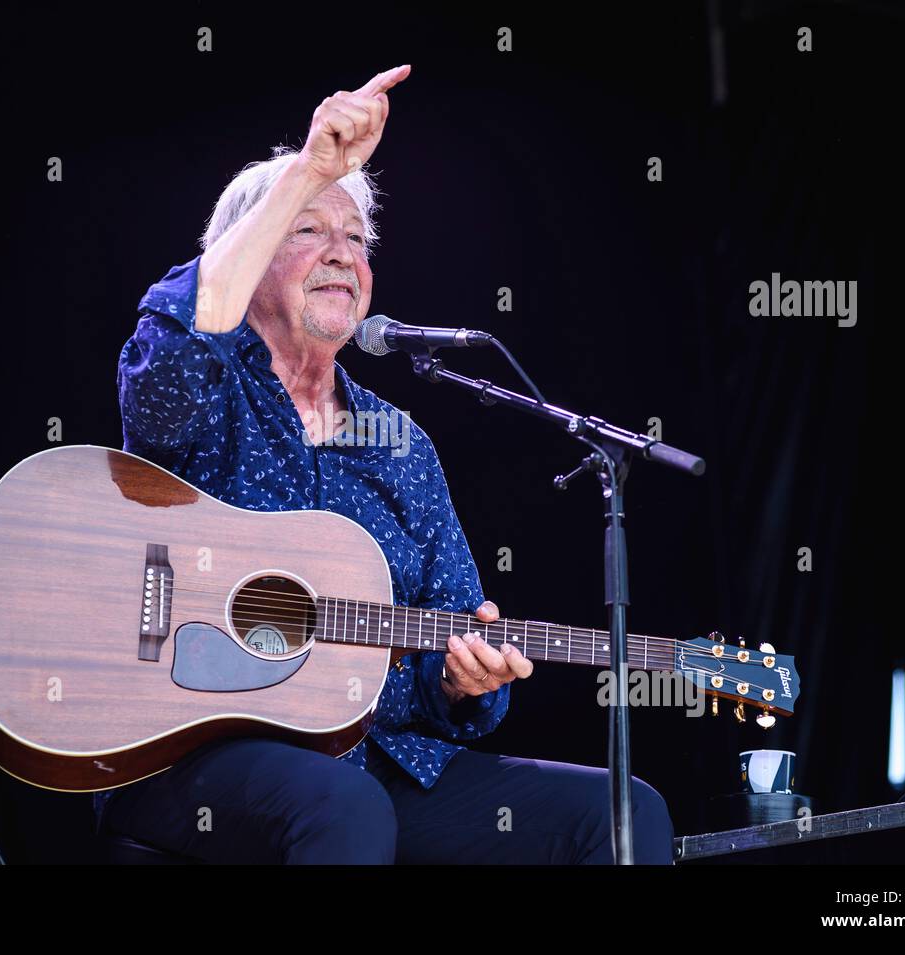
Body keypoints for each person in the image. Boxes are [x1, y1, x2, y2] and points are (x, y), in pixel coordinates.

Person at [95, 65, 673, 863]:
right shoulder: (202, 384)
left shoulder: (401, 442)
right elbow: (176, 351)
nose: (342, 255)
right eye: (307, 229)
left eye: (356, 240)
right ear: (247, 249)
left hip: (373, 761)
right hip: (185, 745)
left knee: (622, 812)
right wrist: (311, 167)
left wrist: (459, 679)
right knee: (345, 805)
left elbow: (451, 639)